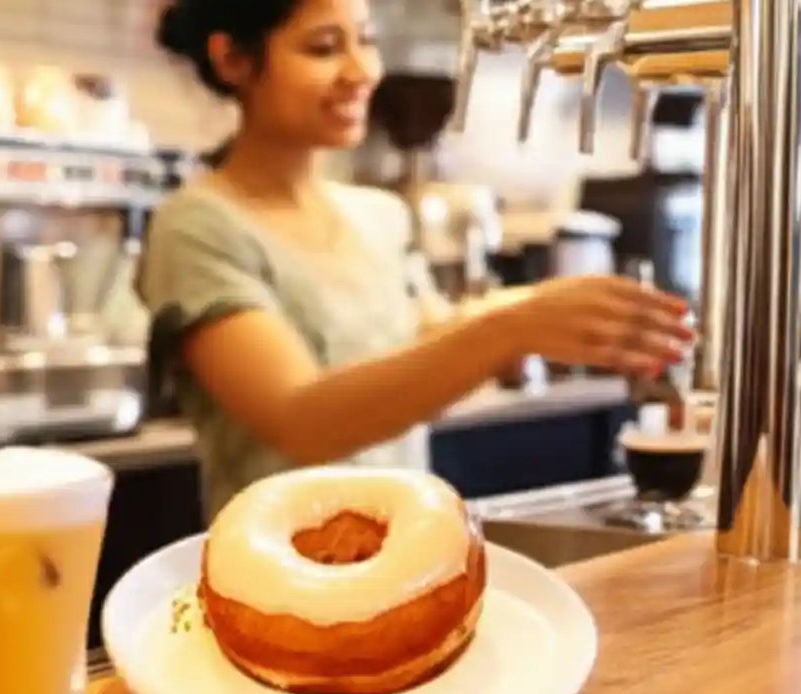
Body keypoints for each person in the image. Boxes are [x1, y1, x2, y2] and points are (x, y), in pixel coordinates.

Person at [144, 0, 692, 518]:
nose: (361, 71)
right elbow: (302, 421)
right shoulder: (198, 225)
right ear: (233, 59)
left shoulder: (379, 215)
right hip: (275, 572)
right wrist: (514, 326)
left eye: (366, 41)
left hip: (402, 549)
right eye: (323, 48)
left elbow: (428, 343)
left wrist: (549, 310)